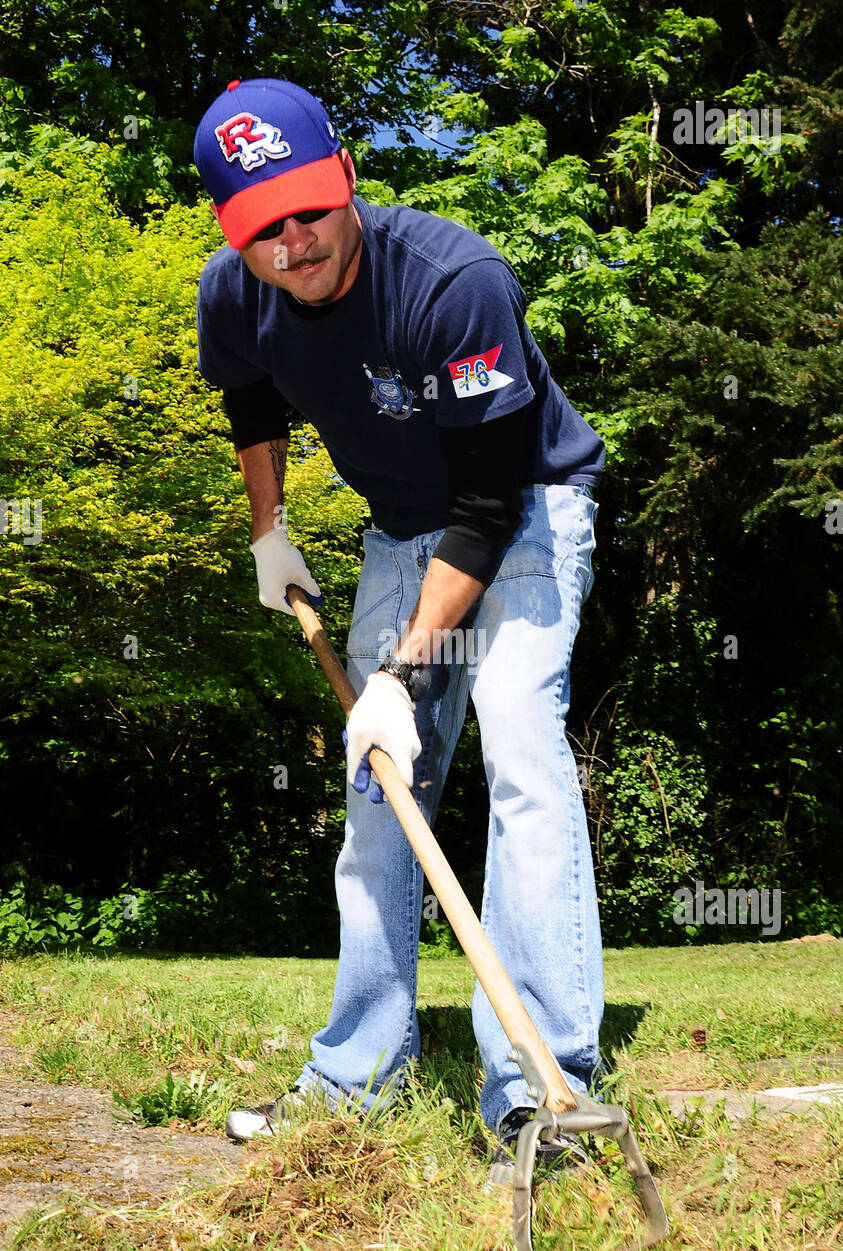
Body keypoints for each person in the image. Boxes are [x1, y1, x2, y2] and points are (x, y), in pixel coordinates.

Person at [193, 77, 606, 1181]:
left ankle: (542, 1087)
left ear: (346, 176)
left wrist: (398, 670)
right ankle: (356, 1074)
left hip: (523, 510)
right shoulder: (233, 295)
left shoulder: (453, 283)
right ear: (231, 230)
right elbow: (250, 403)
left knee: (518, 743)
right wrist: (269, 532)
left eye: (308, 210)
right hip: (398, 529)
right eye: (262, 227)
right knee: (378, 784)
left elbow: (488, 506)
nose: (294, 244)